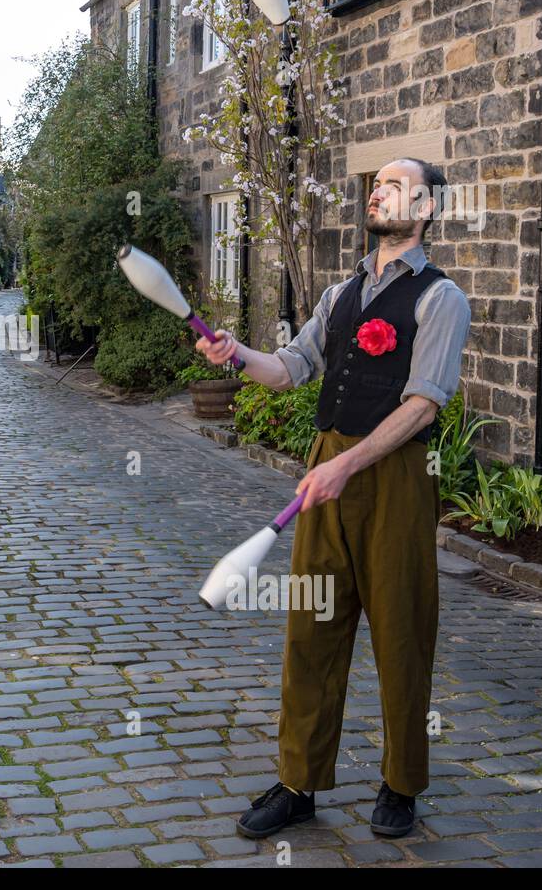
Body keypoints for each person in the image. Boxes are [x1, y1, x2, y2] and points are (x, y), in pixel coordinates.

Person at [197, 158, 472, 838]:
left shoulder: (442, 299)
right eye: (375, 183)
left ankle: (401, 783)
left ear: (427, 205)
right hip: (328, 470)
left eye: (397, 183)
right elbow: (290, 369)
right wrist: (236, 353)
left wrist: (347, 464)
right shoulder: (341, 293)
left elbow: (423, 404)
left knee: (401, 633)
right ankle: (299, 782)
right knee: (311, 631)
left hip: (394, 477)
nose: (379, 190)